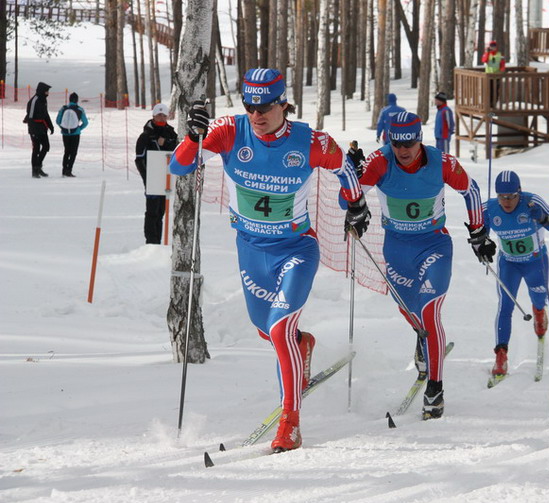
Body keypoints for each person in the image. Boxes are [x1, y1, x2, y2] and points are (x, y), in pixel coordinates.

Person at [169, 68, 368, 453]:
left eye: (264, 107)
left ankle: (290, 423)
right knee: (268, 331)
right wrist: (193, 137)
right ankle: (301, 346)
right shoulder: (229, 131)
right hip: (250, 250)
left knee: (279, 329)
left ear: (283, 105)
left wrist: (355, 204)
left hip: (296, 250)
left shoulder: (310, 142)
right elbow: (179, 166)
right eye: (249, 106)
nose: (256, 115)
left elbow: (344, 167)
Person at [358, 111, 493, 420]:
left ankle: (435, 387)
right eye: (397, 144)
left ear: (420, 139)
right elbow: (346, 199)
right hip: (396, 249)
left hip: (434, 246)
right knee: (410, 311)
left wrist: (478, 231)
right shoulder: (379, 161)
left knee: (430, 312)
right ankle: (423, 339)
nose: (403, 150)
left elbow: (470, 190)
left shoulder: (441, 162)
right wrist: (354, 183)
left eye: (409, 143)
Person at [485, 170, 549, 377]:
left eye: (512, 196)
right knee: (505, 305)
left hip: (535, 263)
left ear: (519, 192)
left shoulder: (532, 202)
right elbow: (477, 230)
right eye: (502, 196)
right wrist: (481, 243)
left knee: (538, 298)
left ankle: (539, 313)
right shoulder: (489, 208)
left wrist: (543, 218)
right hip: (509, 264)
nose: (507, 202)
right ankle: (501, 355)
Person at [135, 103, 178, 245]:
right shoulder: (146, 135)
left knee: (161, 211)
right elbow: (139, 159)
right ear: (153, 116)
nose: (161, 118)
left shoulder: (171, 133)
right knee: (152, 211)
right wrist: (146, 178)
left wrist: (166, 143)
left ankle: (158, 242)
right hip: (151, 179)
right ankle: (151, 241)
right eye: (159, 115)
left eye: (164, 115)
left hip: (166, 178)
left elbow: (179, 148)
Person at [24, 81, 54, 178]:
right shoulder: (34, 101)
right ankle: (35, 170)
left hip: (42, 127)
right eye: (46, 91)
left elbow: (46, 114)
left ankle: (38, 166)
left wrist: (50, 126)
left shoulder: (44, 100)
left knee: (46, 147)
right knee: (36, 149)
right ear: (42, 91)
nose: (48, 93)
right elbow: (30, 116)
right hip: (34, 128)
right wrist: (33, 130)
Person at [56, 92, 89, 177]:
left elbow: (58, 121)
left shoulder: (63, 108)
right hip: (75, 134)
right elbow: (85, 122)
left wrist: (63, 128)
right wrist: (79, 129)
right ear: (77, 100)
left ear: (69, 99)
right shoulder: (80, 109)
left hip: (65, 134)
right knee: (73, 152)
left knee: (66, 152)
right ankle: (69, 170)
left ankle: (64, 170)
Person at [481, 40, 506, 108]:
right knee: (489, 90)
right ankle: (489, 105)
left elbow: (503, 63)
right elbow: (484, 60)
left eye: (494, 46)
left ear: (496, 47)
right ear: (489, 47)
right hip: (489, 76)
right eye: (491, 46)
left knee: (496, 91)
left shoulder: (500, 54)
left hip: (497, 76)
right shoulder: (487, 54)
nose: (493, 47)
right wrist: (487, 53)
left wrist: (502, 70)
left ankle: (494, 104)